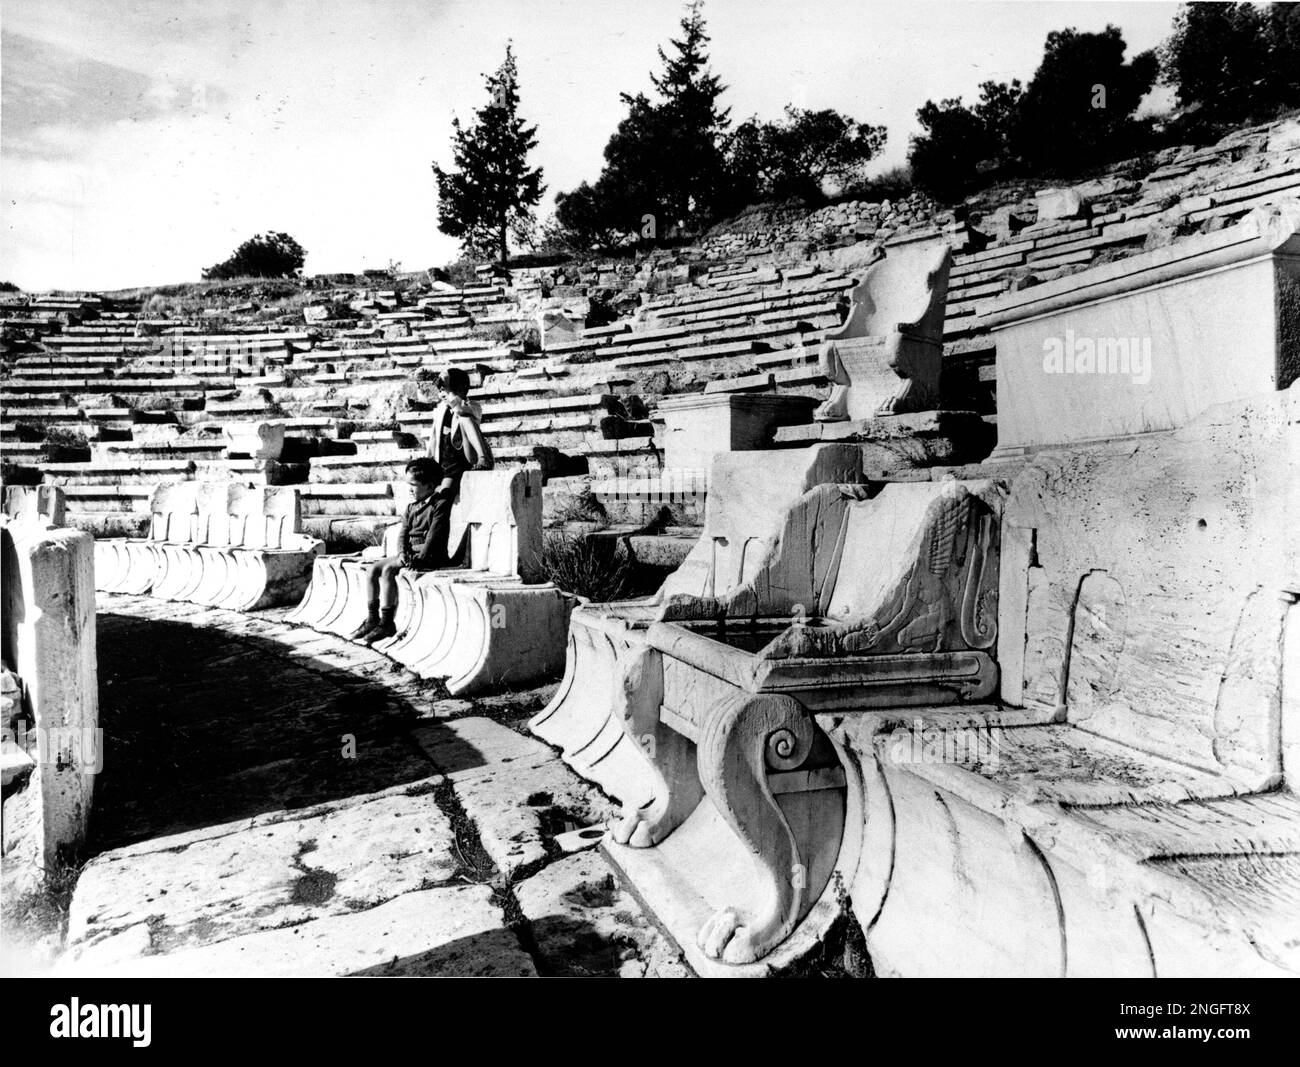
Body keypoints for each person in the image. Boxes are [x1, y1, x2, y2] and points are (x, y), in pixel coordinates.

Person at [350, 456, 444, 644]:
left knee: (388, 570)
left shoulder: (437, 505)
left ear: (430, 485)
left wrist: (421, 557)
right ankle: (372, 619)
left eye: (414, 485)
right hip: (409, 553)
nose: (410, 489)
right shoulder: (411, 507)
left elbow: (434, 535)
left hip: (427, 555)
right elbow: (403, 533)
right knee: (371, 570)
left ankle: (386, 623)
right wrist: (401, 553)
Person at [420, 367, 493, 572]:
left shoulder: (471, 407)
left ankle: (483, 458)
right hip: (443, 466)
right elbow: (433, 440)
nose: (442, 393)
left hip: (463, 464)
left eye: (446, 388)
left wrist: (454, 396)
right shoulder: (441, 410)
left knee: (443, 502)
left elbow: (463, 409)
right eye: (441, 390)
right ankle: (436, 552)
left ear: (460, 388)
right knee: (435, 506)